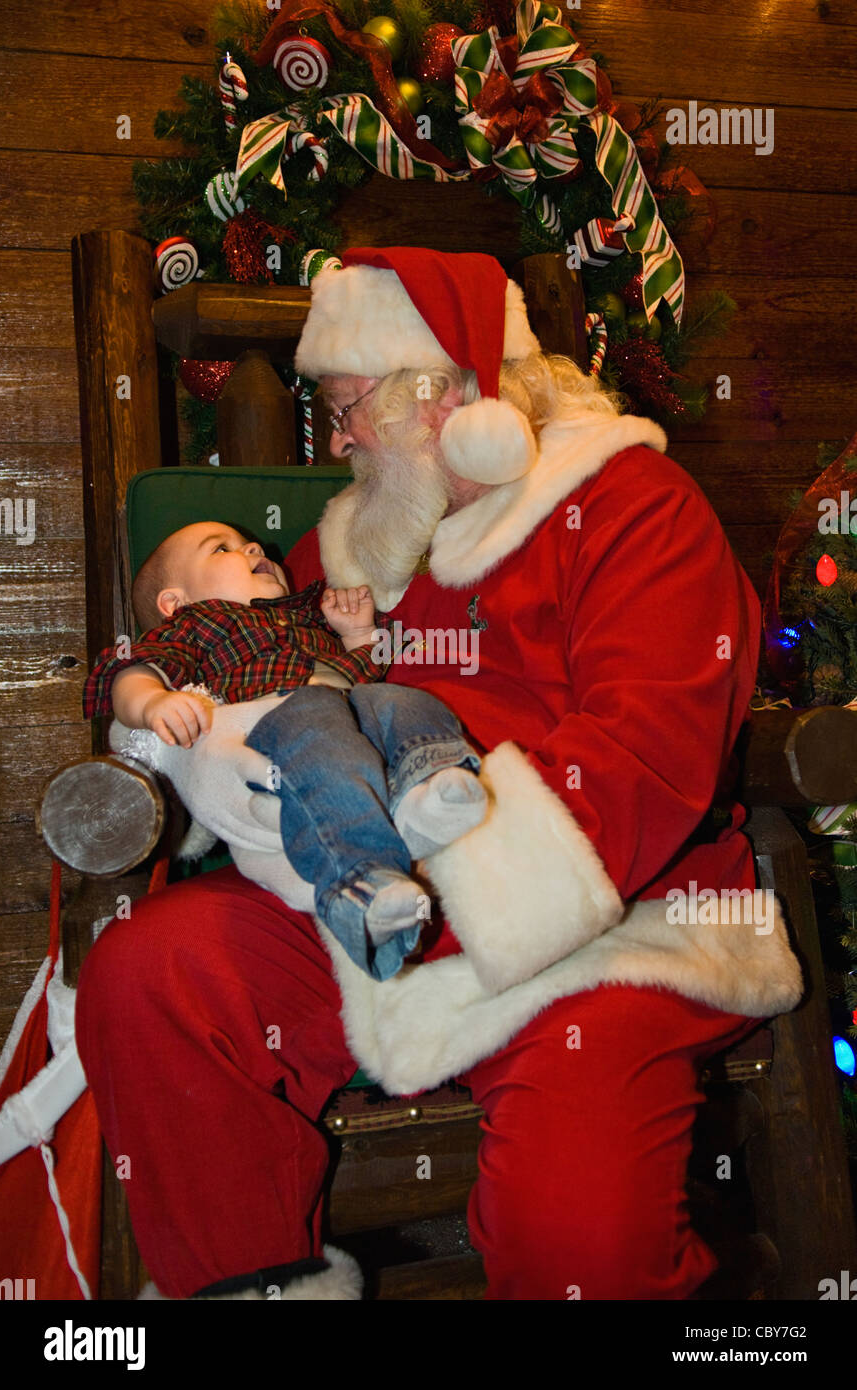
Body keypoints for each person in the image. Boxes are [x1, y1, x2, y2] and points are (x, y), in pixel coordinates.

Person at [75, 245, 803, 1302]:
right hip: (359, 892)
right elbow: (231, 683)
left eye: (353, 402)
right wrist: (179, 743)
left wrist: (425, 881)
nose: (340, 438)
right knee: (154, 976)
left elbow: (646, 757)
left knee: (574, 1228)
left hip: (603, 918)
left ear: (449, 385)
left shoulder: (632, 505)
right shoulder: (353, 547)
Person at [82, 520, 485, 981]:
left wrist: (356, 634)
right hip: (280, 730)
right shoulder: (199, 625)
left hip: (349, 707)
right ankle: (360, 880)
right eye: (222, 549)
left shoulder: (307, 617)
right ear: (176, 603)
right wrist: (152, 702)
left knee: (405, 702)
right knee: (321, 725)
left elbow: (362, 673)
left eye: (247, 541)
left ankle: (427, 790)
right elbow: (131, 675)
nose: (252, 545)